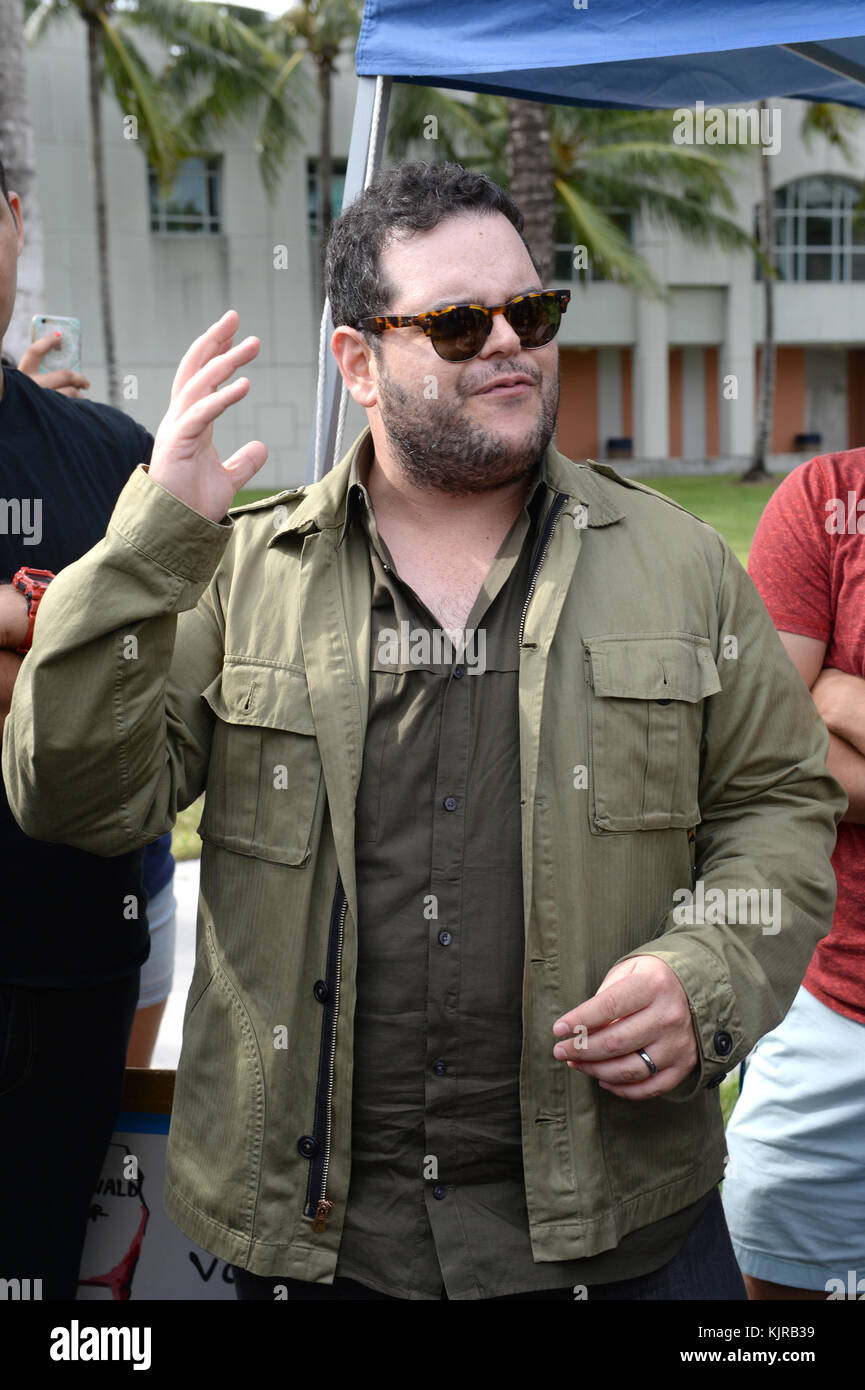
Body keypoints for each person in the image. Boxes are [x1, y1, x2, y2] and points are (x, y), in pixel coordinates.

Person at [4, 161, 845, 1301]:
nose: (509, 341)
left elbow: (778, 807)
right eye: (456, 321)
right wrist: (151, 549)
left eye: (531, 310)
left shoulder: (679, 566)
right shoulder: (239, 572)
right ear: (357, 361)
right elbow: (79, 801)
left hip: (620, 1236)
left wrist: (708, 973)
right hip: (326, 1248)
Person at [0, 151, 153, 1299]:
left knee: (42, 1270)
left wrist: (42, 649)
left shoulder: (108, 457)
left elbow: (153, 699)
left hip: (65, 963)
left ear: (13, 222)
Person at [721, 448, 865, 1300]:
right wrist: (810, 707)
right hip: (832, 999)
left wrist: (842, 700)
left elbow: (805, 713)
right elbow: (768, 748)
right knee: (773, 1301)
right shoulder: (826, 499)